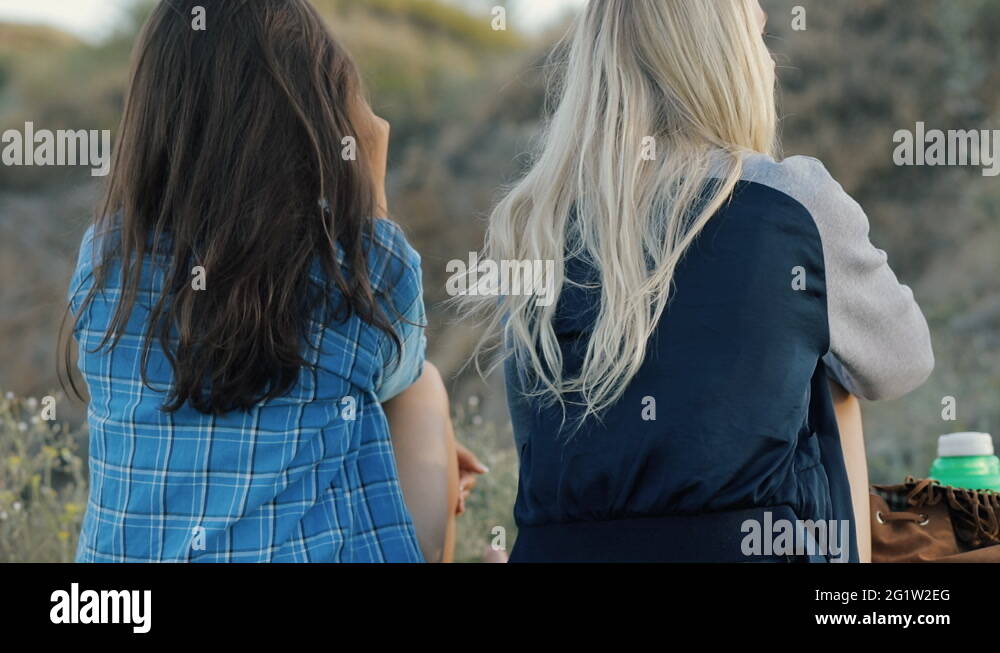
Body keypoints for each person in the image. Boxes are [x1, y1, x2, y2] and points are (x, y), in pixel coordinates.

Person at [466, 0, 934, 562]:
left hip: (557, 552)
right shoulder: (790, 200)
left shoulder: (532, 223)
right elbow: (902, 362)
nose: (770, 63)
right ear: (721, 58)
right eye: (758, 39)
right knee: (831, 376)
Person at [63, 0, 483, 563]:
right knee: (417, 384)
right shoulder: (359, 264)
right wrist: (369, 205)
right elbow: (394, 366)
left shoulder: (108, 258)